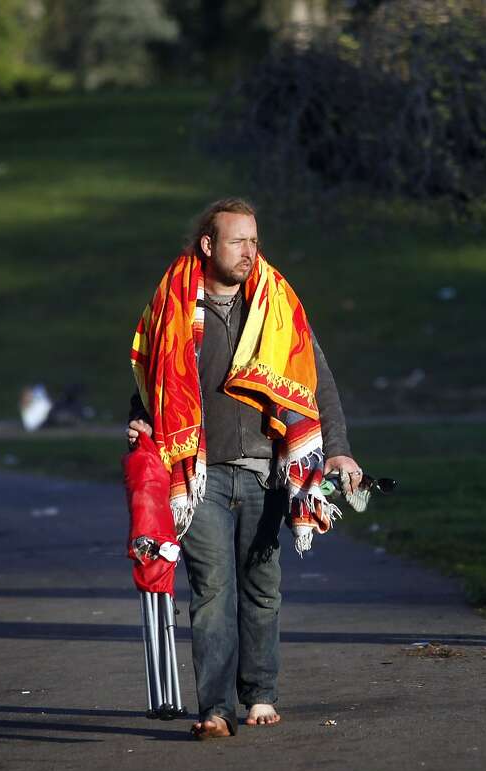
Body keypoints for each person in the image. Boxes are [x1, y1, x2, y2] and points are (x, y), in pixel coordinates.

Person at [127, 198, 363, 738]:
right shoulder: (173, 307)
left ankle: (259, 694)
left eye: (255, 241)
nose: (250, 252)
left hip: (264, 470)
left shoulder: (278, 305)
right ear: (208, 246)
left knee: (262, 587)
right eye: (238, 242)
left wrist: (339, 448)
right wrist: (140, 420)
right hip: (201, 475)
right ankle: (214, 708)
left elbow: (314, 382)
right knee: (212, 589)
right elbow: (153, 380)